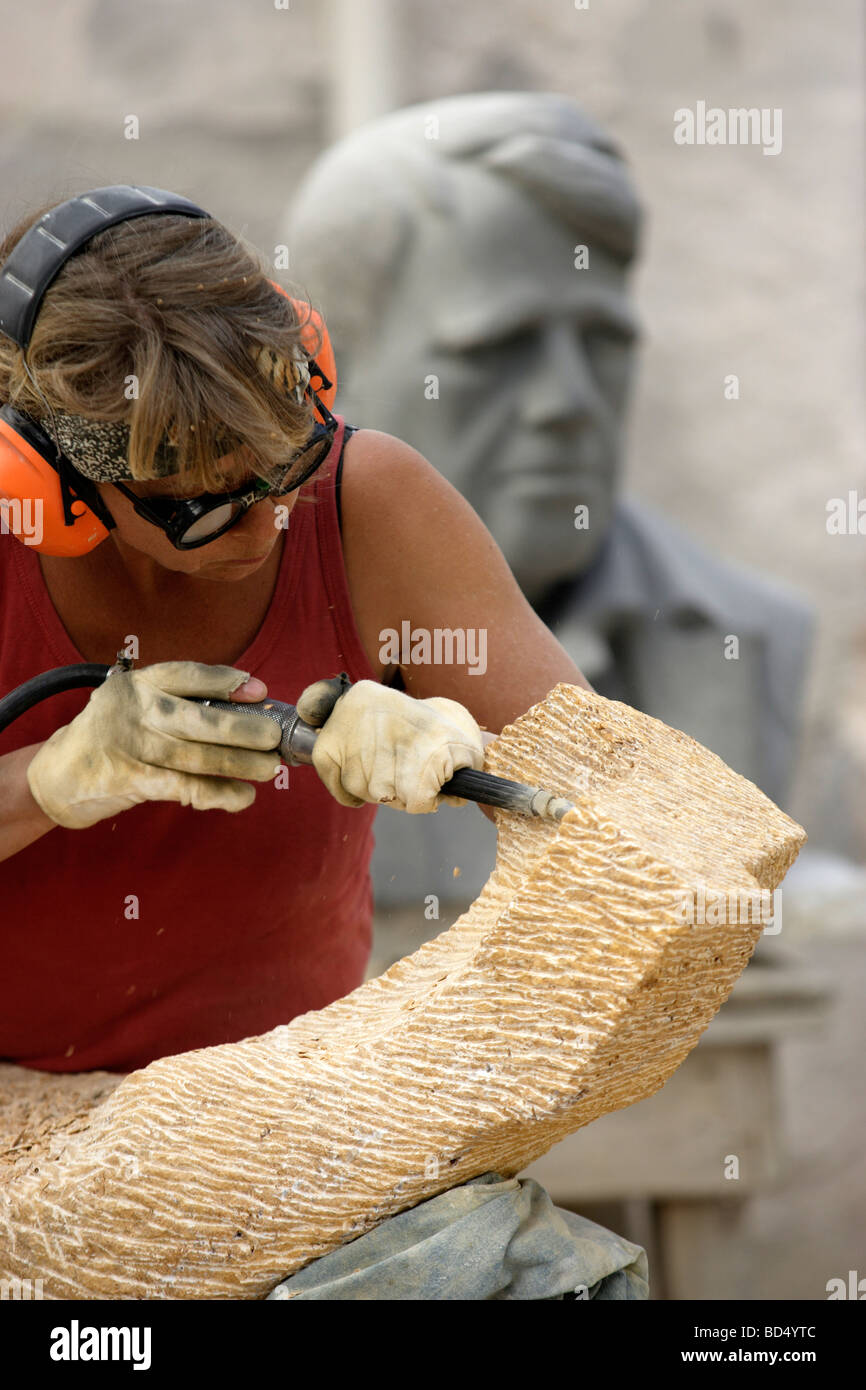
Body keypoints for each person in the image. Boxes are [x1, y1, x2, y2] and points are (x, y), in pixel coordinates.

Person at [0, 185, 589, 1075]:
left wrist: (469, 748)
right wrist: (52, 779)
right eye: (202, 509)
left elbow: (620, 791)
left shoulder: (368, 501)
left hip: (284, 1111)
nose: (265, 526)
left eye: (283, 469)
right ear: (51, 487)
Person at [285, 92, 813, 913]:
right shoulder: (229, 659)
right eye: (496, 347)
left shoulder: (762, 641)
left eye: (601, 343)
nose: (567, 400)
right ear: (327, 370)